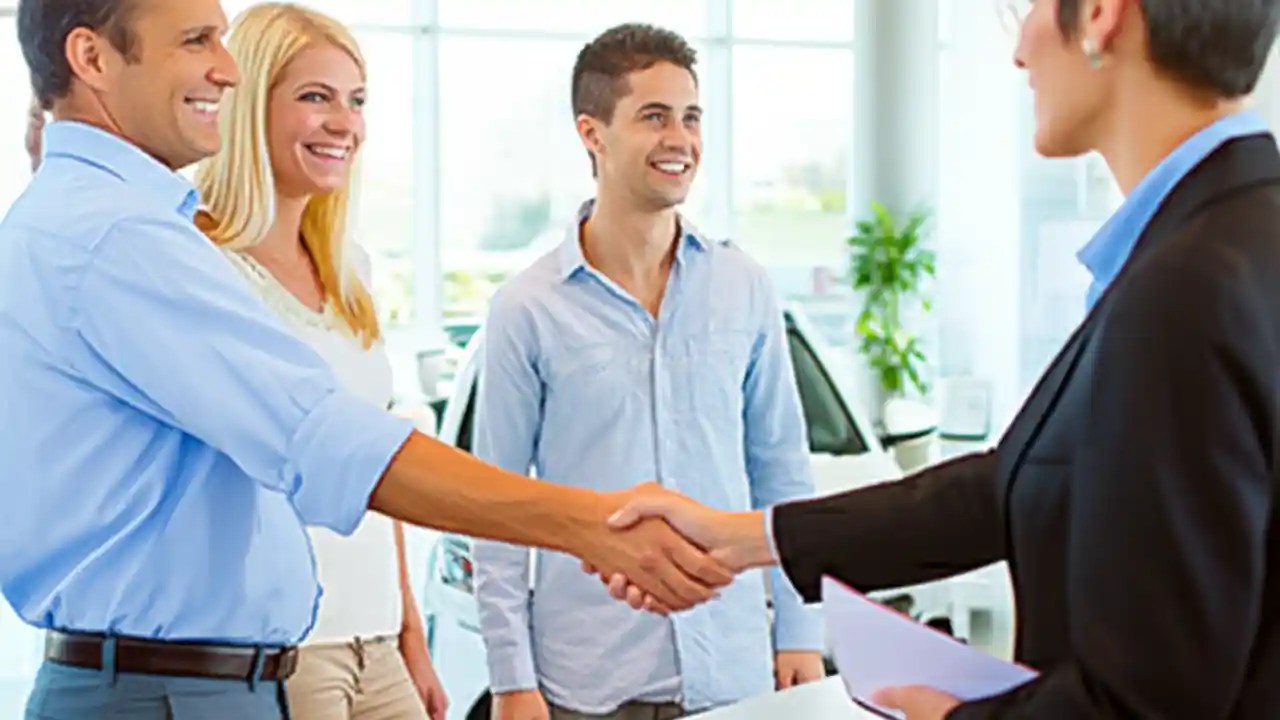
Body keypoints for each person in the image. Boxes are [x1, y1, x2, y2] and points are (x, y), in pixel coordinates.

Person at [0, 1, 731, 718]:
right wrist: (590, 524)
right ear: (92, 58)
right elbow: (321, 439)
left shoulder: (104, 222)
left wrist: (409, 624)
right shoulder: (119, 237)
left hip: (222, 674)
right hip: (170, 688)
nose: (226, 71)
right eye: (195, 41)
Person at [594, 0, 1280, 718]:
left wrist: (950, 718)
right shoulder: (1224, 244)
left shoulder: (1187, 287)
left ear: (1103, 14)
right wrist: (744, 538)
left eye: (1031, 8)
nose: (1019, 53)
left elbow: (1152, 699)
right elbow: (1012, 484)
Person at [472, 23, 824, 720]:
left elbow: (782, 471)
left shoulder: (744, 285)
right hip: (590, 684)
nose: (681, 139)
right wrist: (513, 681)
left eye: (691, 117)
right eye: (654, 117)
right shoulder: (527, 309)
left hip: (735, 676)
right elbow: (497, 511)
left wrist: (801, 631)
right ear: (592, 133)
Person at [190, 4, 444, 719]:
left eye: (355, 101)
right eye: (315, 97)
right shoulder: (204, 268)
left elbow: (376, 458)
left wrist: (409, 631)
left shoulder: (349, 270)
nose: (345, 123)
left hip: (377, 638)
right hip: (282, 648)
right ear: (247, 105)